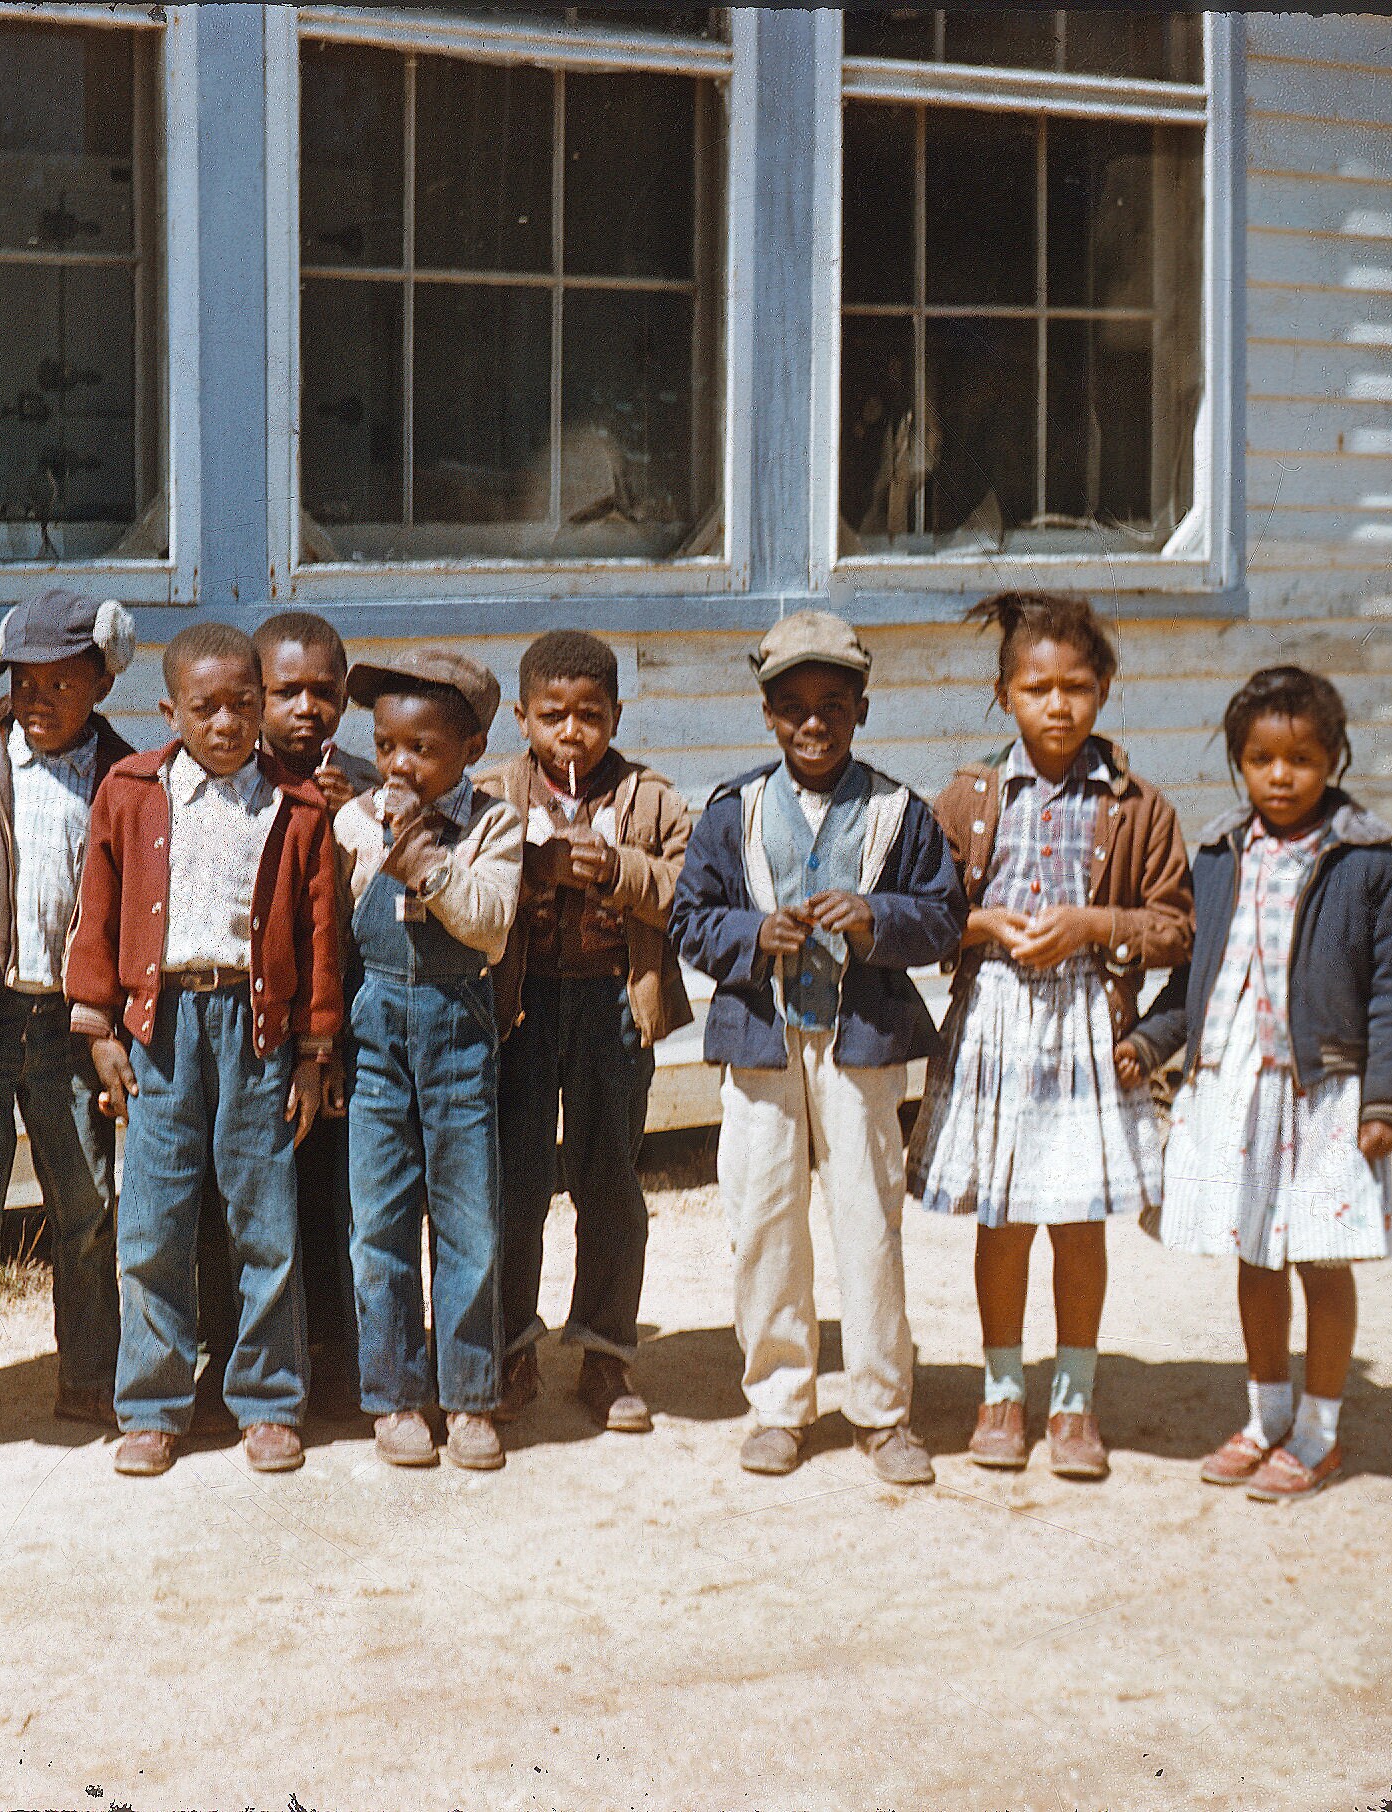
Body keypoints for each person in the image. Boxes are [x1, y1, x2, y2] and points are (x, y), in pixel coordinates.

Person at [670, 611, 964, 1485]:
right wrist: (757, 934)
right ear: (767, 712)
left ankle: (881, 1409)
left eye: (833, 704)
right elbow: (691, 919)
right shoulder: (734, 812)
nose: (813, 722)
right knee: (763, 1222)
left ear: (862, 708)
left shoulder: (898, 812)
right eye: (792, 705)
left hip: (860, 1043)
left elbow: (944, 915)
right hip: (762, 1043)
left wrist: (878, 917)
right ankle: (780, 1404)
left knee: (868, 1221)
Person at [909, 595, 1192, 1481]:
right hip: (995, 1020)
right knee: (1005, 1212)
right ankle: (1001, 1390)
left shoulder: (1139, 805)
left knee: (1073, 1216)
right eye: (1038, 688)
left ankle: (1072, 1399)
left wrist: (1091, 926)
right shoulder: (966, 797)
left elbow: (1176, 929)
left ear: (1105, 690)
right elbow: (922, 915)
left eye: (1077, 686)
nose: (1058, 705)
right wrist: (987, 925)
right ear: (1004, 695)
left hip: (1086, 1023)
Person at [1127, 667, 1392, 1502]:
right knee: (1255, 1256)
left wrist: (1385, 1101)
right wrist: (1149, 1041)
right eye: (1261, 759)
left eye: (1302, 758)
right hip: (1237, 1088)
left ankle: (1319, 1431)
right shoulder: (1217, 856)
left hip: (1325, 1095)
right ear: (1237, 763)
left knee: (1321, 1260)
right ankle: (1266, 1415)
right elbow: (1195, 979)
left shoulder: (1368, 863)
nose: (1280, 776)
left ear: (1336, 758)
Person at [67, 621, 342, 1479]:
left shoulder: (294, 807)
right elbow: (98, 910)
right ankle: (151, 1406)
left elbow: (321, 932)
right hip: (161, 1029)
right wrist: (98, 1028)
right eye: (205, 708)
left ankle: (266, 1401)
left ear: (263, 704)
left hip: (257, 1030)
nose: (226, 724)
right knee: (153, 1220)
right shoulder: (132, 790)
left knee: (264, 1220)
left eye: (243, 705)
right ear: (169, 710)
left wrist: (311, 1052)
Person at [0, 588, 138, 1450]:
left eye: (63, 681)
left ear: (100, 682)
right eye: (24, 681)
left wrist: (114, 1024)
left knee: (86, 1209)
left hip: (76, 1024)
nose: (40, 699)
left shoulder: (127, 774)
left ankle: (90, 1378)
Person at [482, 630, 693, 1433]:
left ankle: (607, 1354)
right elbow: (468, 881)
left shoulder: (653, 800)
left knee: (610, 1181)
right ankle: (511, 1351)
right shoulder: (494, 793)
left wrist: (614, 870)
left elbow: (683, 892)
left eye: (590, 716)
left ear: (616, 714)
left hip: (613, 1006)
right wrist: (530, 870)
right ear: (523, 718)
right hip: (522, 1008)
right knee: (516, 1183)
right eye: (552, 716)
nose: (571, 734)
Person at [333, 651, 522, 1470]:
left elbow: (488, 923)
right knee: (378, 1220)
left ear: (472, 748)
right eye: (386, 746)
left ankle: (471, 1398)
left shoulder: (495, 825)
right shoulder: (353, 820)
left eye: (422, 749)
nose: (400, 765)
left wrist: (424, 863)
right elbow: (336, 925)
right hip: (376, 1024)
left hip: (457, 1026)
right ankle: (396, 1396)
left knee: (467, 1219)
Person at [249, 611, 377, 1416]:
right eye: (284, 691)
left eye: (323, 692)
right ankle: (257, 1354)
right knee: (262, 1193)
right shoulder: (237, 779)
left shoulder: (365, 778)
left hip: (356, 1021)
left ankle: (339, 1352)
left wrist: (356, 810)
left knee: (341, 1192)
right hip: (262, 1025)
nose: (306, 709)